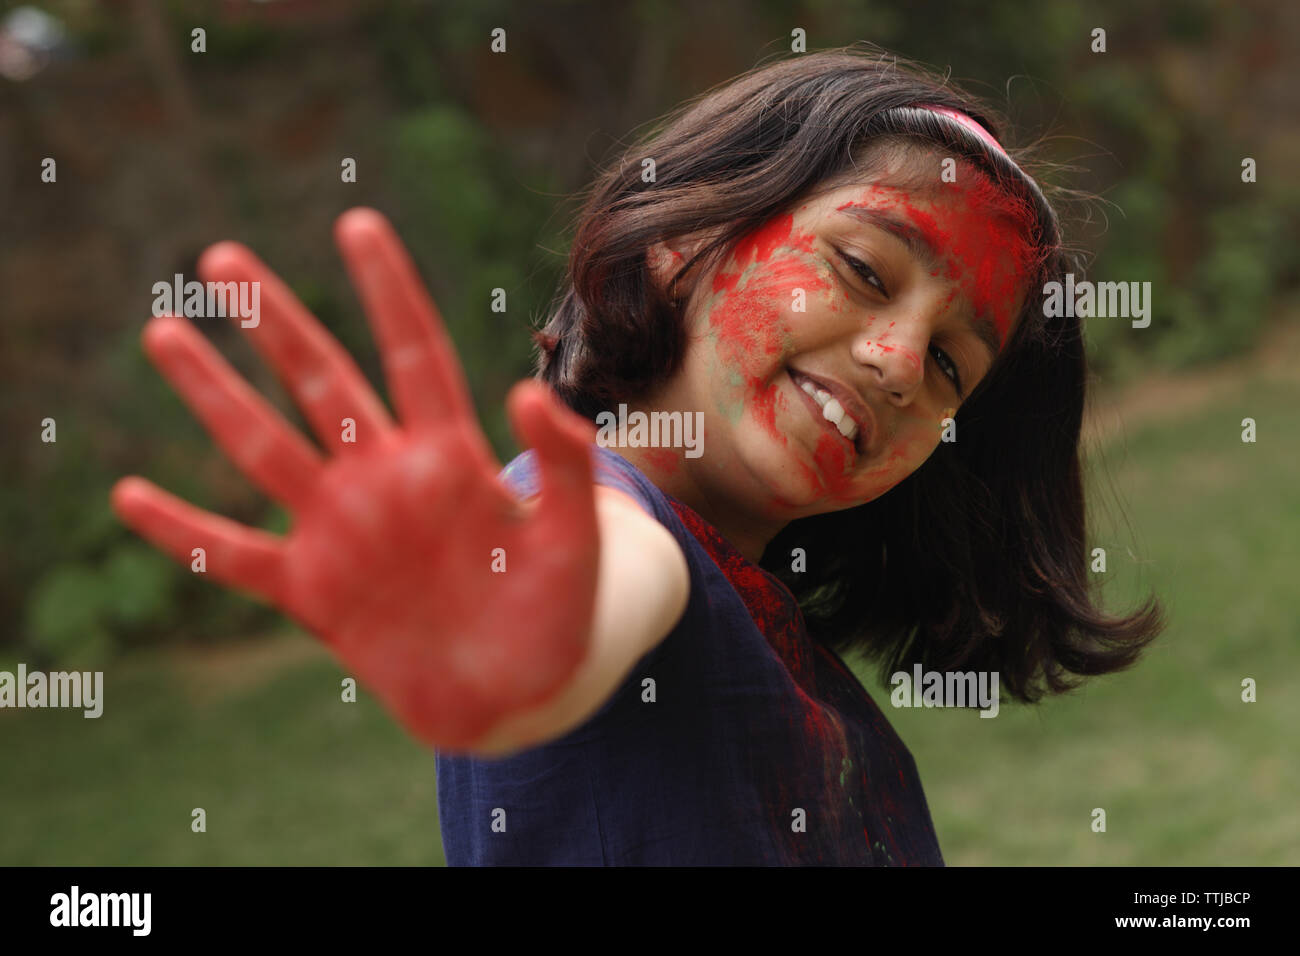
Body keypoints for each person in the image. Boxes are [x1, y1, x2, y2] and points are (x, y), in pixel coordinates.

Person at [111, 45, 1163, 865]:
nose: (897, 362)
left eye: (947, 364)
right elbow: (605, 590)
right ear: (683, 233)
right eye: (862, 267)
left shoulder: (772, 621)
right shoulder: (609, 528)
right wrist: (520, 625)